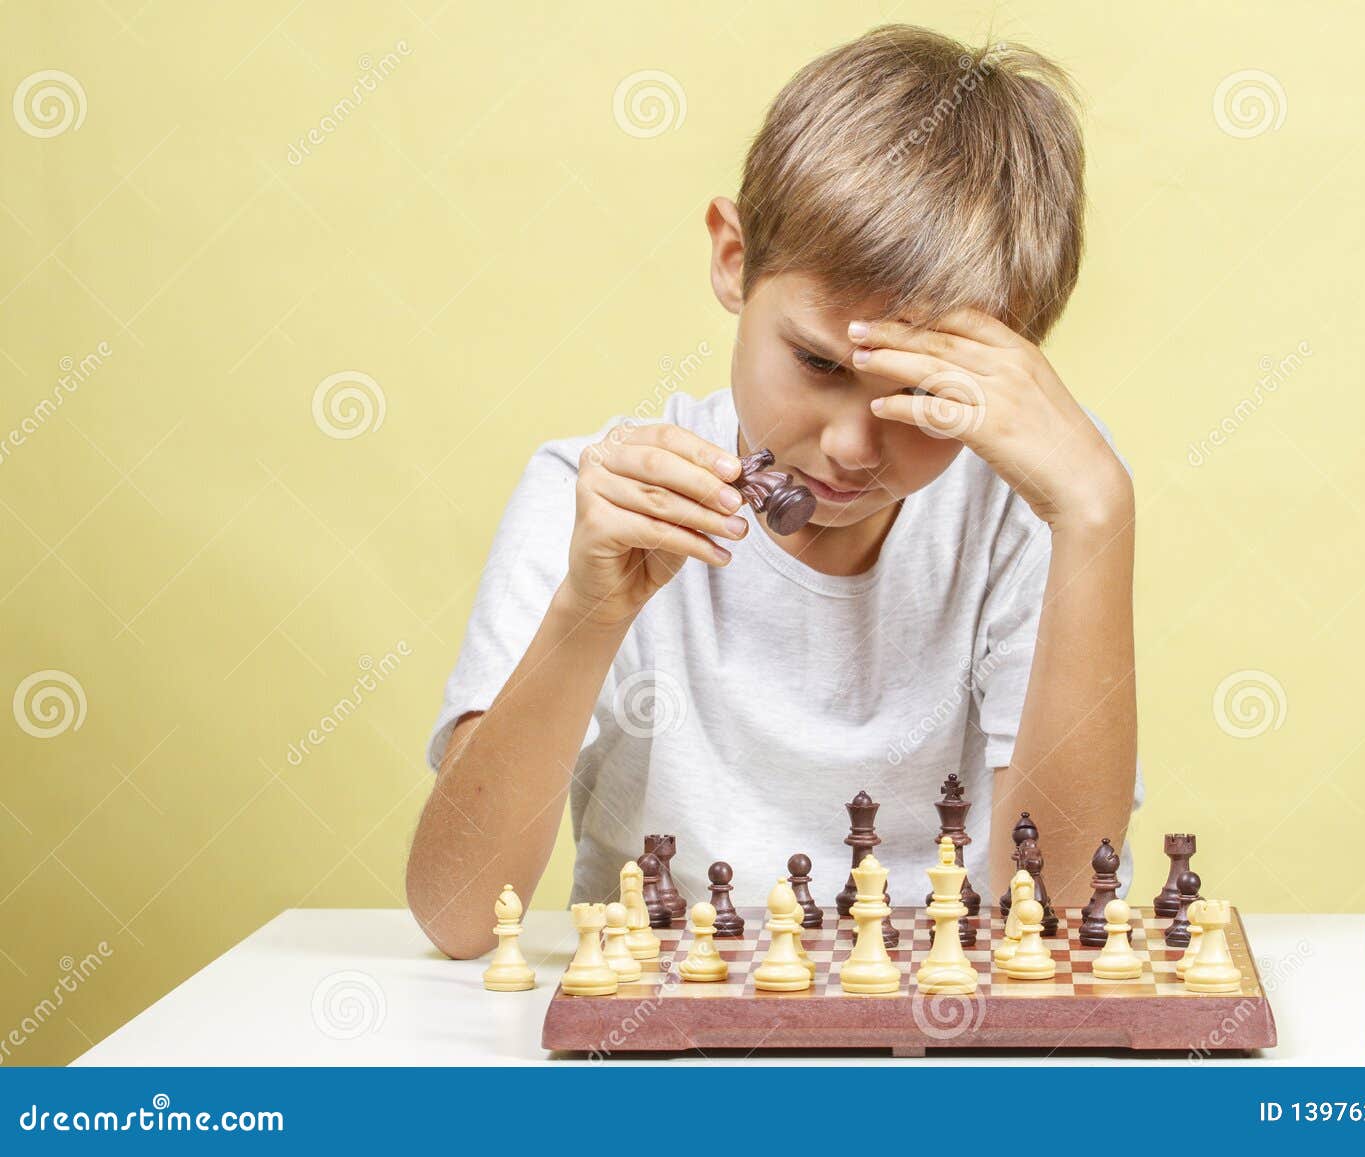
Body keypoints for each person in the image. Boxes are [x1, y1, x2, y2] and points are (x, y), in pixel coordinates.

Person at [406, 25, 1140, 958]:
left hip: (940, 1019)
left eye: (923, 395)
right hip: (661, 1022)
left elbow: (1066, 919)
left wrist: (1095, 516)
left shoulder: (1037, 504)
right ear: (733, 257)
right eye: (818, 363)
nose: (850, 446)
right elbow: (457, 913)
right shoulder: (597, 501)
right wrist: (587, 613)